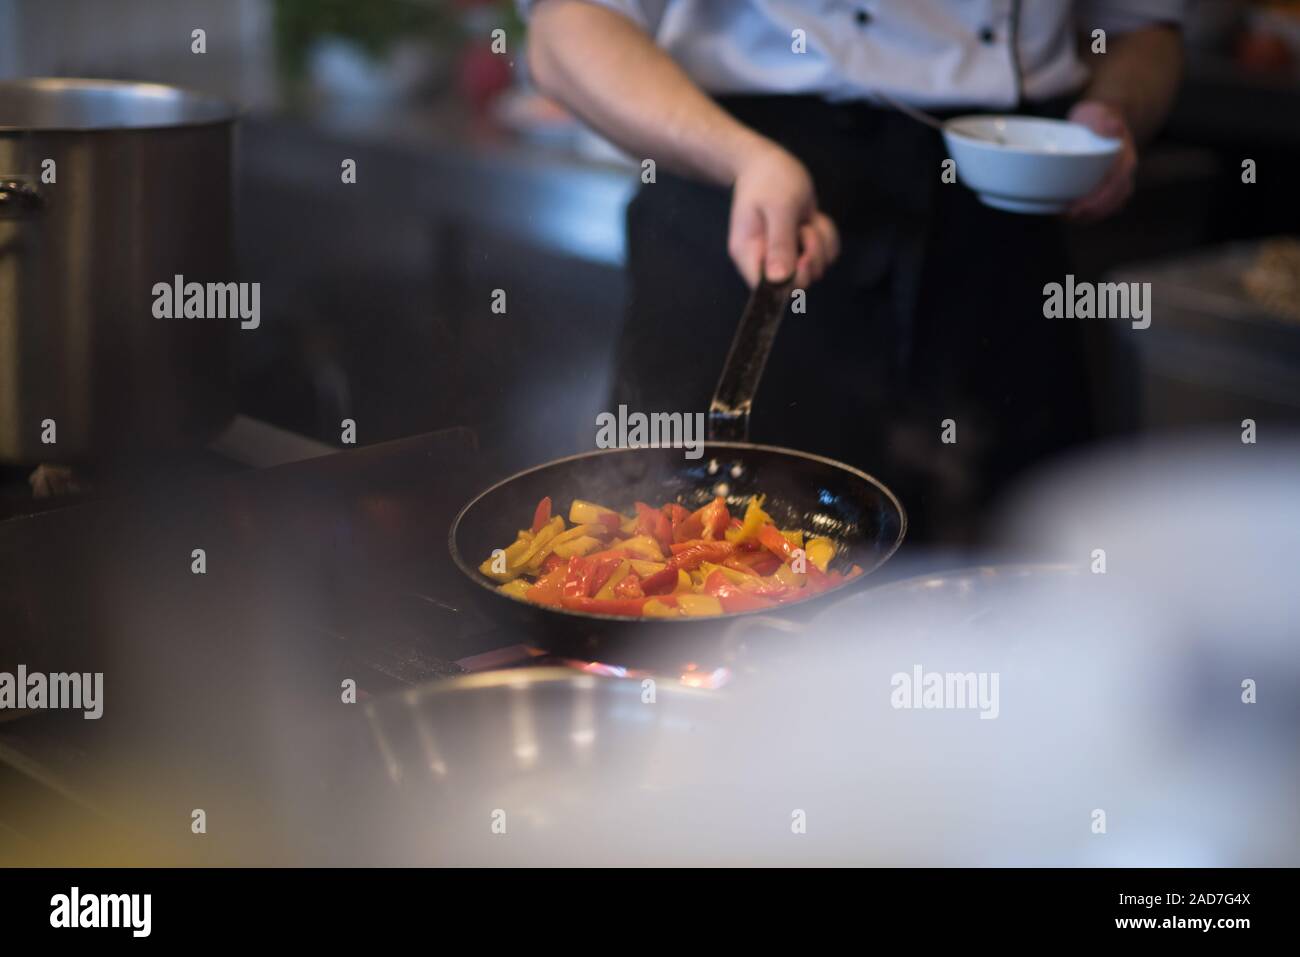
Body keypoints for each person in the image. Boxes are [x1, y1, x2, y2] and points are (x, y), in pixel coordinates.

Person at [522, 0, 1185, 543]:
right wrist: (745, 159)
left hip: (1005, 210)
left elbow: (1144, 27)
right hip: (743, 183)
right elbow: (566, 26)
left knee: (1017, 576)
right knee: (696, 558)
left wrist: (1116, 112)